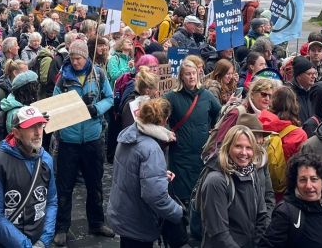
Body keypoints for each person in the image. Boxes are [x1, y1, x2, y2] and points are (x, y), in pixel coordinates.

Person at [52, 39, 115, 245]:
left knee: (95, 184)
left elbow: (109, 98)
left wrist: (96, 109)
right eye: (72, 58)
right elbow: (55, 104)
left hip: (93, 138)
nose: (75, 61)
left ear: (86, 56)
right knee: (65, 187)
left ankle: (97, 222)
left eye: (78, 58)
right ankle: (61, 227)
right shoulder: (63, 78)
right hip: (69, 140)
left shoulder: (99, 74)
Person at [108, 98, 184, 248]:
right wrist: (178, 212)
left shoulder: (129, 134)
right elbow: (155, 197)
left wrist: (159, 174)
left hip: (124, 213)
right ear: (164, 120)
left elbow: (132, 172)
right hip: (138, 220)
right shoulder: (151, 149)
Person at [0, 105, 57, 248]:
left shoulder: (46, 159)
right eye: (31, 128)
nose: (37, 133)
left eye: (40, 126)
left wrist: (44, 240)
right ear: (16, 133)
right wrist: (25, 245)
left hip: (39, 240)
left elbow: (52, 201)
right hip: (9, 243)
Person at [164, 60, 222, 242]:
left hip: (201, 154)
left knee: (200, 193)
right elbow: (161, 117)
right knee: (181, 193)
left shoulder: (205, 95)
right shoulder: (171, 97)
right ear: (181, 76)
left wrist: (212, 130)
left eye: (194, 74)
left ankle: (197, 232)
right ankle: (181, 233)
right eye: (187, 74)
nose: (191, 77)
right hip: (180, 154)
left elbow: (219, 113)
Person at [199, 125, 270, 248]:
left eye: (248, 148)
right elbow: (219, 233)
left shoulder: (252, 173)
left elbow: (262, 215)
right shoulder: (216, 181)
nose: (244, 153)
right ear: (227, 147)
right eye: (238, 146)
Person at [259, 152, 322, 248]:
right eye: (303, 180)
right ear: (295, 183)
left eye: (314, 179)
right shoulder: (286, 212)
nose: (309, 186)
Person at [258, 87, 309, 198]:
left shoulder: (259, 125)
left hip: (260, 188)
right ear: (294, 105)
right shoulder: (299, 134)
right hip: (286, 192)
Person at [287, 56, 317, 125]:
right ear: (299, 76)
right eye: (309, 74)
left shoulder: (315, 91)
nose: (314, 77)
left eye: (315, 73)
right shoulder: (289, 93)